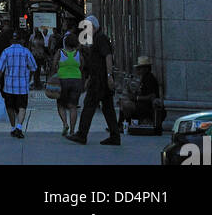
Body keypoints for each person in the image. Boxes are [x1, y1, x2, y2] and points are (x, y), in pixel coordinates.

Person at [64, 15, 121, 146]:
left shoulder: (101, 38)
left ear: (93, 26)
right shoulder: (97, 38)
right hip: (98, 79)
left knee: (89, 106)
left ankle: (82, 134)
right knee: (108, 108)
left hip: (100, 80)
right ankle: (115, 136)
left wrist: (109, 76)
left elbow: (108, 56)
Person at [0, 29, 37, 138]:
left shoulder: (6, 52)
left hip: (9, 86)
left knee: (10, 107)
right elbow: (33, 67)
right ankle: (19, 127)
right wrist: (29, 78)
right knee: (22, 106)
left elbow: (0, 69)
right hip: (22, 86)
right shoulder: (26, 52)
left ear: (11, 41)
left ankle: (13, 127)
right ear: (21, 41)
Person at [118, 57, 166, 133]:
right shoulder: (144, 77)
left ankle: (125, 125)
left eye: (140, 68)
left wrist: (136, 98)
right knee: (122, 102)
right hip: (142, 104)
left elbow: (152, 96)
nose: (138, 70)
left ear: (146, 68)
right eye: (138, 68)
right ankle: (121, 125)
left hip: (147, 106)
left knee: (127, 105)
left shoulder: (150, 78)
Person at [53, 30, 84, 137]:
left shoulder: (60, 52)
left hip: (62, 80)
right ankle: (72, 131)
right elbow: (82, 66)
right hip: (76, 80)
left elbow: (54, 64)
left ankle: (65, 124)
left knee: (61, 104)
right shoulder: (78, 53)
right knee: (73, 106)